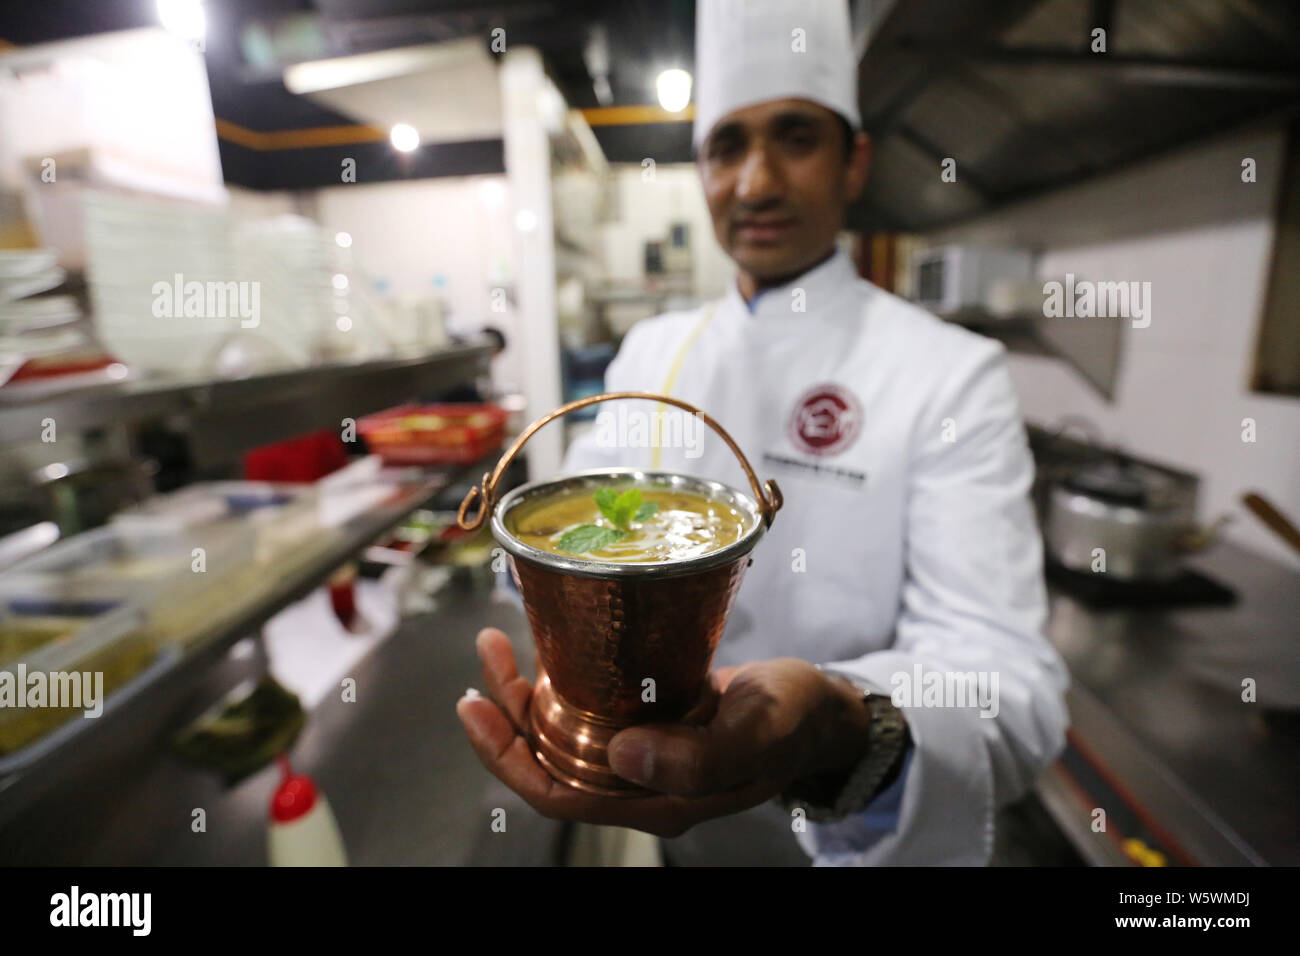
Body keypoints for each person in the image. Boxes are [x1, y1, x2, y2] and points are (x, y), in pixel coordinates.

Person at [457, 0, 1069, 865]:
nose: (755, 183)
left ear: (854, 161)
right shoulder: (655, 350)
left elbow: (1012, 694)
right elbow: (575, 535)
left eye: (796, 137)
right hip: (662, 814)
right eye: (726, 147)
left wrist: (834, 722)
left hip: (848, 829)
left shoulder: (949, 372)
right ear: (700, 168)